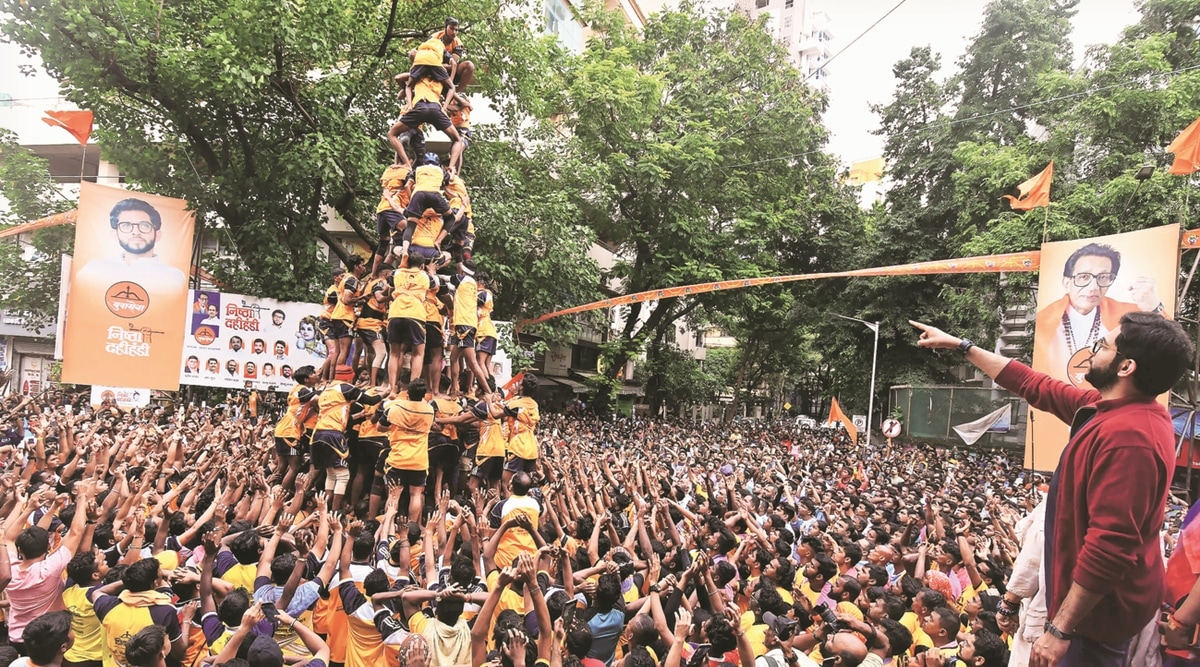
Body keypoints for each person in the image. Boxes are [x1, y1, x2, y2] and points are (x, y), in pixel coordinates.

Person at [911, 312, 1191, 666]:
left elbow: (1110, 547)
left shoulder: (1131, 439)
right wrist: (962, 346)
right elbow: (1036, 385)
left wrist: (1060, 628)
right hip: (1084, 617)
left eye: (1102, 346)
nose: (1092, 351)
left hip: (1096, 620)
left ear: (1126, 367)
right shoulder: (1107, 409)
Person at [1033, 243, 1160, 386]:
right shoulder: (1044, 319)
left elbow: (1165, 345)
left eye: (1103, 277)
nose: (1093, 287)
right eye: (1084, 277)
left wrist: (1154, 308)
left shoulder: (1129, 315)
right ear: (1067, 283)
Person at [74, 198, 186, 291]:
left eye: (144, 225)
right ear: (114, 234)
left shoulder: (174, 278)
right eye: (126, 225)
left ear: (158, 235)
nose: (136, 232)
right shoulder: (92, 271)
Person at [387, 45, 464, 171]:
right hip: (435, 109)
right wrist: (444, 108)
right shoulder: (441, 79)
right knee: (457, 139)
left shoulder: (416, 77)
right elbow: (452, 83)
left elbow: (399, 81)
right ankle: (451, 168)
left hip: (419, 108)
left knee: (392, 134)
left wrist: (410, 103)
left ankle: (406, 164)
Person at [386, 253, 431, 393]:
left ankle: (392, 389)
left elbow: (389, 287)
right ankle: (413, 390)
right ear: (422, 265)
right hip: (415, 314)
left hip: (395, 312)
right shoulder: (426, 276)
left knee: (394, 353)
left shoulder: (397, 273)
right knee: (418, 354)